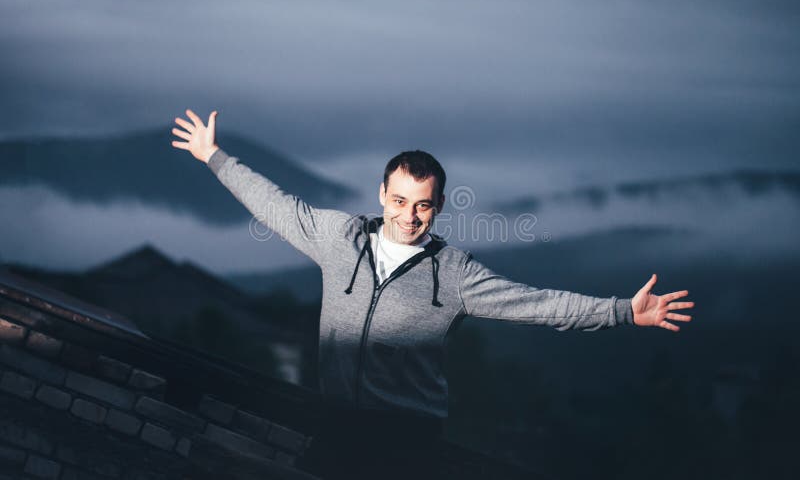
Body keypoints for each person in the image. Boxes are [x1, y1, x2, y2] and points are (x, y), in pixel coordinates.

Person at [170, 109, 695, 478]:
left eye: (422, 205)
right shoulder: (339, 239)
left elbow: (539, 304)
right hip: (335, 425)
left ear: (439, 204)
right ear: (382, 194)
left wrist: (624, 312)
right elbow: (275, 205)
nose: (408, 216)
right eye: (399, 200)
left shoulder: (456, 275)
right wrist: (214, 156)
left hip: (405, 445)